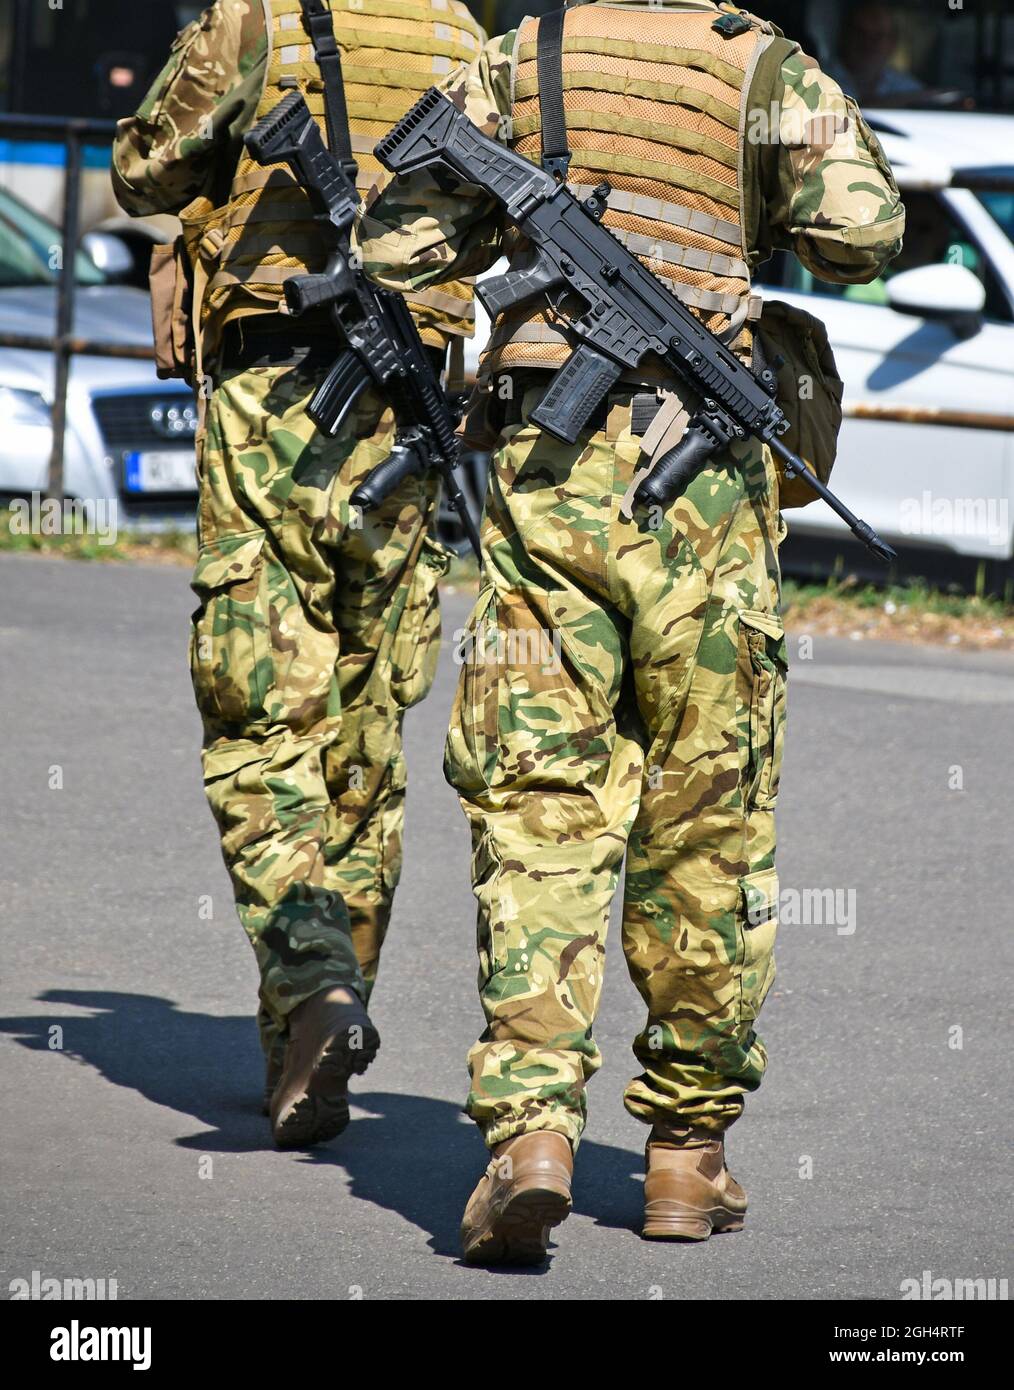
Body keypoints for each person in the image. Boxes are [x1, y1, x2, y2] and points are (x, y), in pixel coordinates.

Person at [360, 0, 904, 1263]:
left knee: (543, 809)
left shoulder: (522, 53)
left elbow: (397, 245)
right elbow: (865, 233)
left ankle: (530, 1139)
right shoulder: (756, 57)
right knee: (708, 825)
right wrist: (740, 205)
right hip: (705, 501)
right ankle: (685, 1157)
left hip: (550, 479)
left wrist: (513, 224)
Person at [112, 0, 483, 1148]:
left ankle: (316, 988)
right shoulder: (466, 33)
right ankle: (313, 1040)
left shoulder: (258, 12)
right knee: (365, 734)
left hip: (281, 390)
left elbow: (142, 167)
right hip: (410, 414)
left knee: (263, 722)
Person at [828, 0, 922, 105]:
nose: (868, 43)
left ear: (892, 43)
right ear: (845, 36)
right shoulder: (817, 78)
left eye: (878, 36)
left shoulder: (908, 88)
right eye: (861, 33)